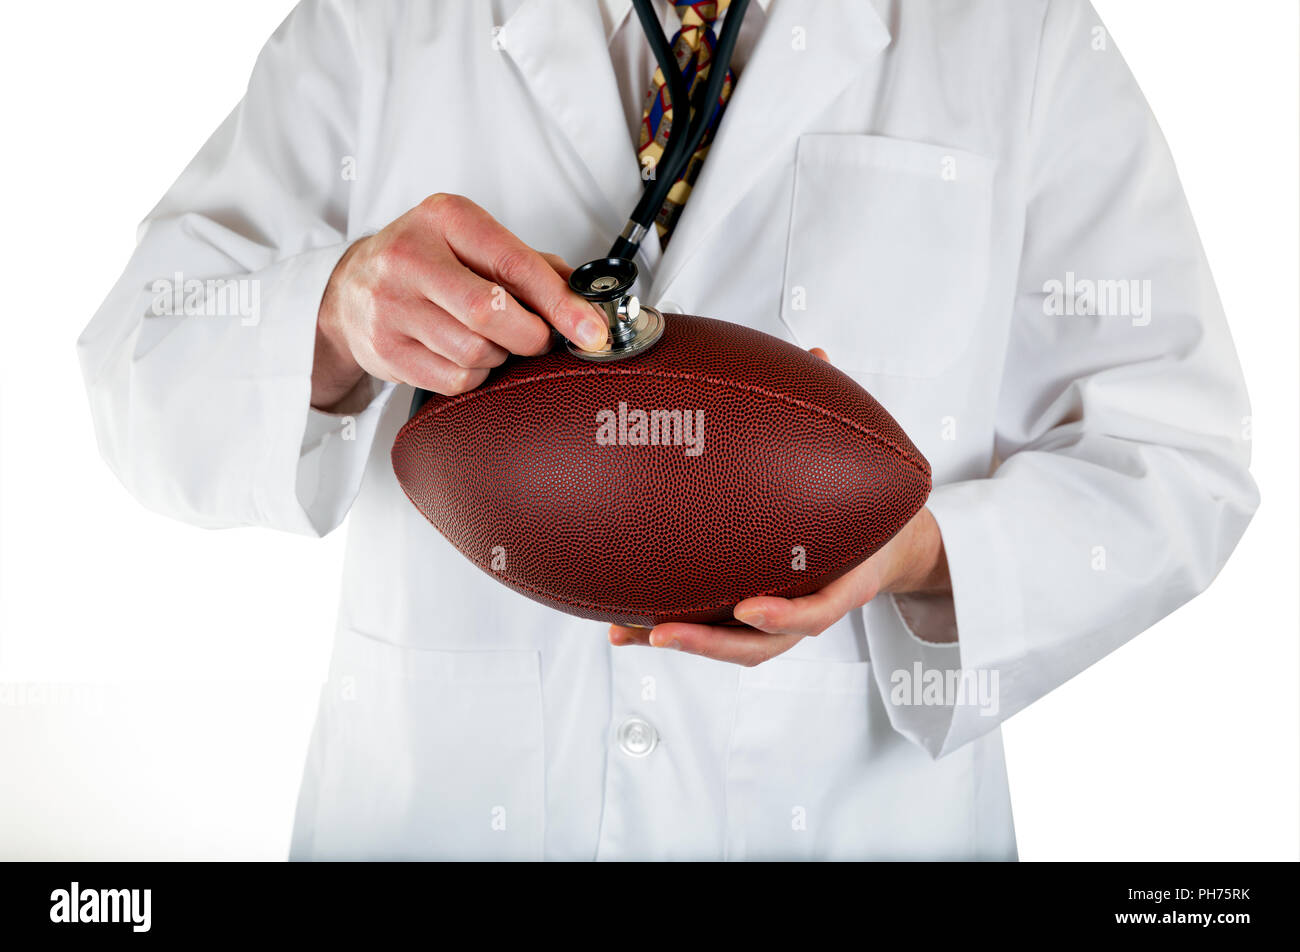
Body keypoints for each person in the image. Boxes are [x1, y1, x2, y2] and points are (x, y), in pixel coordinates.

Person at [77, 0, 1258, 860]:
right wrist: (334, 312)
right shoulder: (379, 28)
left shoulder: (1022, 36)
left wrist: (912, 553)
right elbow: (140, 357)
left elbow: (1179, 452)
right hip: (432, 811)